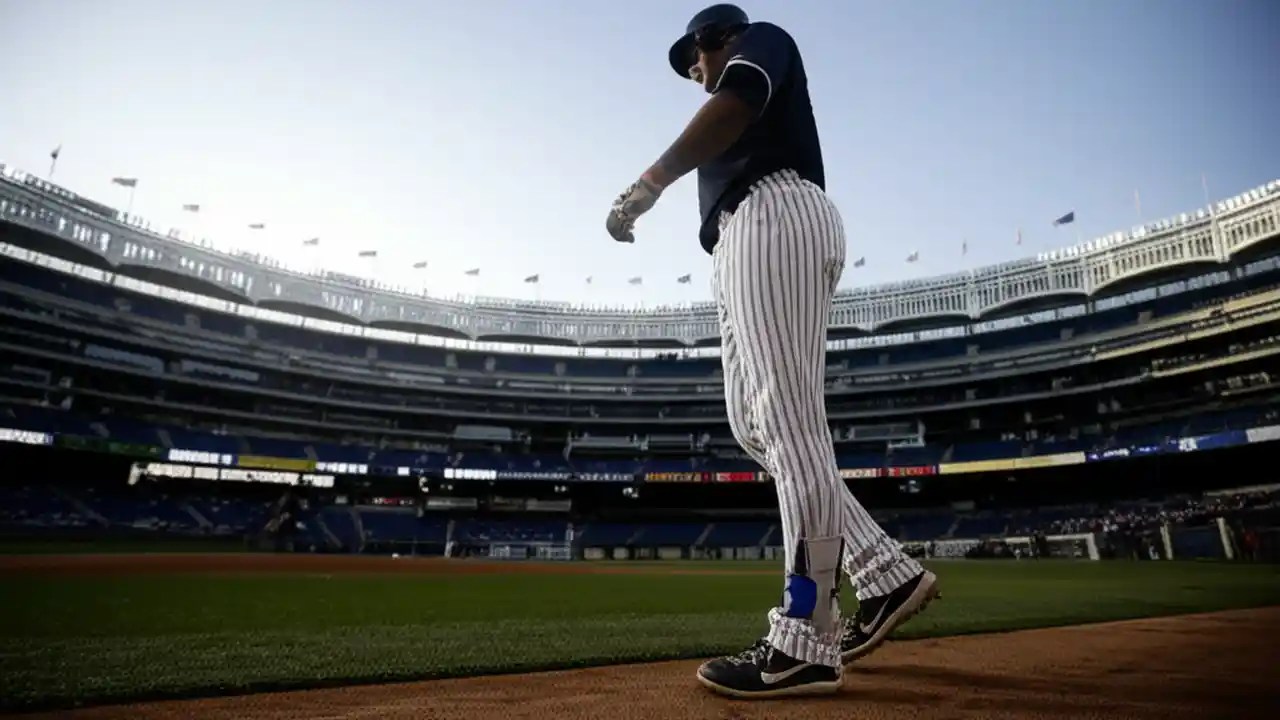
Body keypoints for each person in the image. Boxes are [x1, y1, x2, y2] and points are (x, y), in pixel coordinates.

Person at [606, 4, 939, 698]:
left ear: (712, 38)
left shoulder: (760, 41)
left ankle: (806, 635)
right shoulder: (730, 66)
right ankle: (883, 569)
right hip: (740, 233)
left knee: (789, 427)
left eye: (692, 58)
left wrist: (648, 184)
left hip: (775, 209)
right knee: (755, 425)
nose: (693, 72)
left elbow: (735, 104)